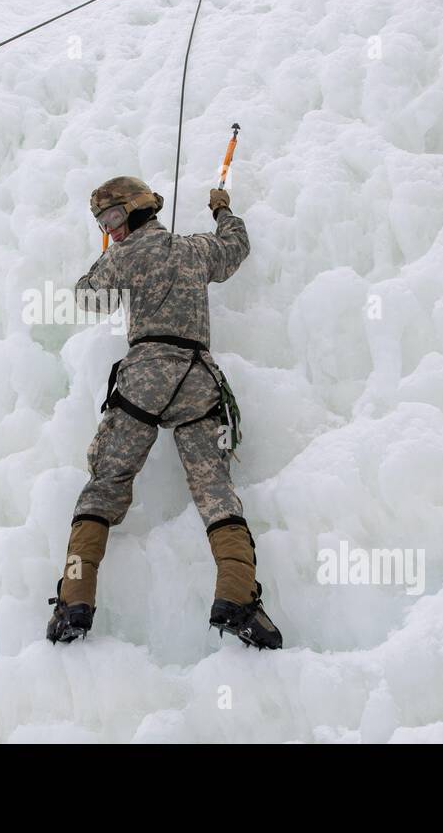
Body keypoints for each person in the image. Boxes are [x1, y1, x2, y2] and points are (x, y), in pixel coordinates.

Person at [46, 176, 282, 649]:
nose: (110, 229)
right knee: (215, 490)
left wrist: (109, 254)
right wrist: (222, 210)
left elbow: (88, 295)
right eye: (103, 223)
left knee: (105, 485)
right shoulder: (195, 250)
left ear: (133, 212)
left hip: (144, 377)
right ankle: (237, 597)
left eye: (112, 219)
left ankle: (75, 599)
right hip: (198, 378)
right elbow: (234, 247)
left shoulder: (124, 253)